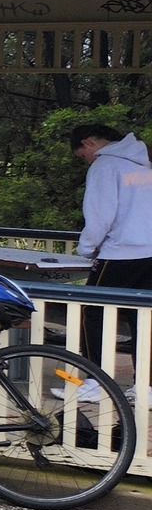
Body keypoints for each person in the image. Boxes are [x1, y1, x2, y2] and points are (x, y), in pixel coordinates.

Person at [72, 123, 152, 366]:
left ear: (88, 143)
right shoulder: (144, 164)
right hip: (149, 253)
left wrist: (87, 249)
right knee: (143, 315)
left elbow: (100, 216)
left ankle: (96, 376)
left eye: (83, 156)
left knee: (93, 311)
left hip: (120, 252)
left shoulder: (105, 165)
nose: (87, 160)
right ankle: (145, 382)